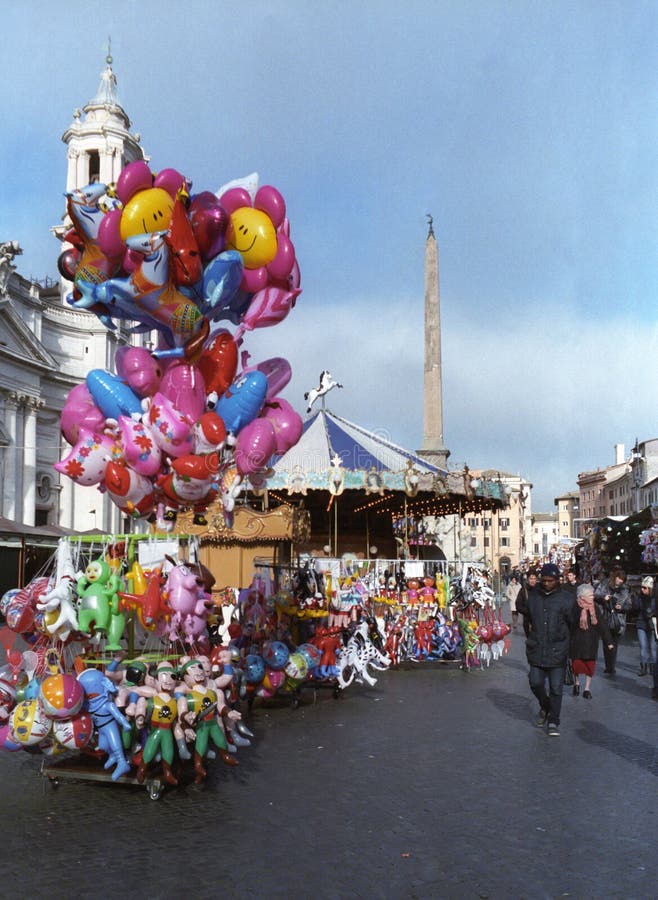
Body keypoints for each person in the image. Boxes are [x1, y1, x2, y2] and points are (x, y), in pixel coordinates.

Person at [524, 562, 578, 736]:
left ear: (557, 580)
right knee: (535, 682)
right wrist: (531, 637)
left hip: (558, 649)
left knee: (556, 688)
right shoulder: (534, 596)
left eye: (550, 581)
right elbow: (528, 618)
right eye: (544, 580)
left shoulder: (567, 599)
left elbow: (573, 623)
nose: (547, 583)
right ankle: (546, 706)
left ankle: (554, 721)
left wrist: (566, 642)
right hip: (537, 647)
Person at [569, 583, 614, 699]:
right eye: (590, 595)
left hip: (591, 640)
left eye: (592, 595)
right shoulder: (575, 607)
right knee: (576, 664)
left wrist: (609, 641)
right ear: (583, 596)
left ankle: (587, 689)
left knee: (590, 665)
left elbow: (602, 624)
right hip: (577, 641)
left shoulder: (595, 608)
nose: (592, 597)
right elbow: (570, 623)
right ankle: (577, 682)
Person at [593, 567, 631, 675]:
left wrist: (622, 607)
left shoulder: (625, 590)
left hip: (618, 620)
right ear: (615, 577)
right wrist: (603, 598)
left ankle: (612, 666)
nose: (620, 581)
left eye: (622, 580)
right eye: (619, 578)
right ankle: (608, 665)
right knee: (606, 642)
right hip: (605, 617)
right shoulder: (604, 584)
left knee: (614, 643)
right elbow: (595, 595)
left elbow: (629, 605)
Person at [632, 576, 657, 677]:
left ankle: (654, 667)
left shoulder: (655, 597)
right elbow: (635, 609)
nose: (642, 589)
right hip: (641, 622)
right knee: (643, 646)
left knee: (653, 647)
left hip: (652, 623)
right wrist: (635, 599)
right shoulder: (640, 596)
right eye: (642, 587)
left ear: (650, 588)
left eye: (645, 588)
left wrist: (653, 613)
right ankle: (644, 667)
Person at [515, 569, 539, 637]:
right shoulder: (523, 590)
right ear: (527, 579)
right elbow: (518, 605)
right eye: (531, 579)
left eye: (534, 579)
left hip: (539, 621)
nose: (533, 581)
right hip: (528, 621)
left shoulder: (540, 590)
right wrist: (527, 611)